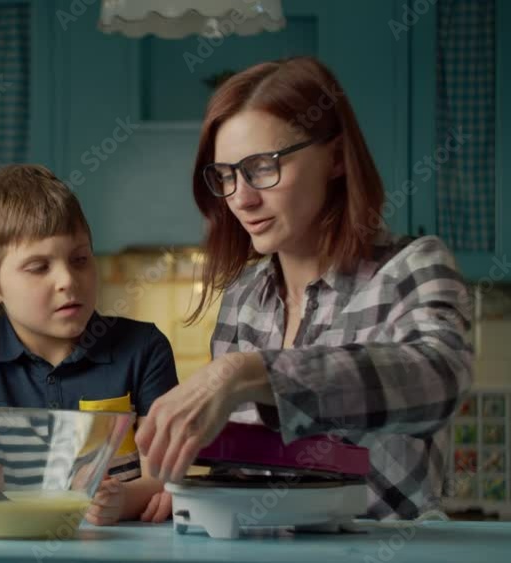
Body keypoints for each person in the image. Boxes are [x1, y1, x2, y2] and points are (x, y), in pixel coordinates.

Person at [135, 56, 474, 521]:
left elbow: (438, 378)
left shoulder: (411, 267)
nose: (241, 198)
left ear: (335, 157)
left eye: (262, 167)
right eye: (227, 176)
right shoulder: (243, 299)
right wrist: (178, 492)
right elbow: (245, 470)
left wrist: (249, 373)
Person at [0, 164, 178, 526]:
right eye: (39, 267)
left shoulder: (144, 348)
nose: (68, 280)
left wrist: (122, 501)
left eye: (80, 259)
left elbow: (167, 479)